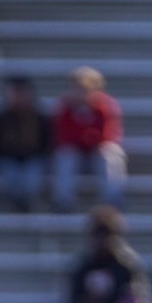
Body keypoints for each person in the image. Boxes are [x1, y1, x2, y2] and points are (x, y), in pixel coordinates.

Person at [51, 66, 125, 213]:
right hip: (76, 153)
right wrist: (87, 137)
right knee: (65, 155)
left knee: (110, 153)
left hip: (97, 152)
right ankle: (63, 201)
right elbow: (64, 136)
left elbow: (107, 134)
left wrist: (87, 137)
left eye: (85, 88)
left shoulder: (106, 106)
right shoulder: (64, 107)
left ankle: (113, 201)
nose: (80, 93)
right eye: (76, 88)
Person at [0, 77, 50, 212]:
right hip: (7, 159)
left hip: (33, 159)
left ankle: (26, 208)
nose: (18, 97)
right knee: (10, 178)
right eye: (15, 93)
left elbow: (45, 143)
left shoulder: (39, 118)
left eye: (22, 93)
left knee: (30, 182)